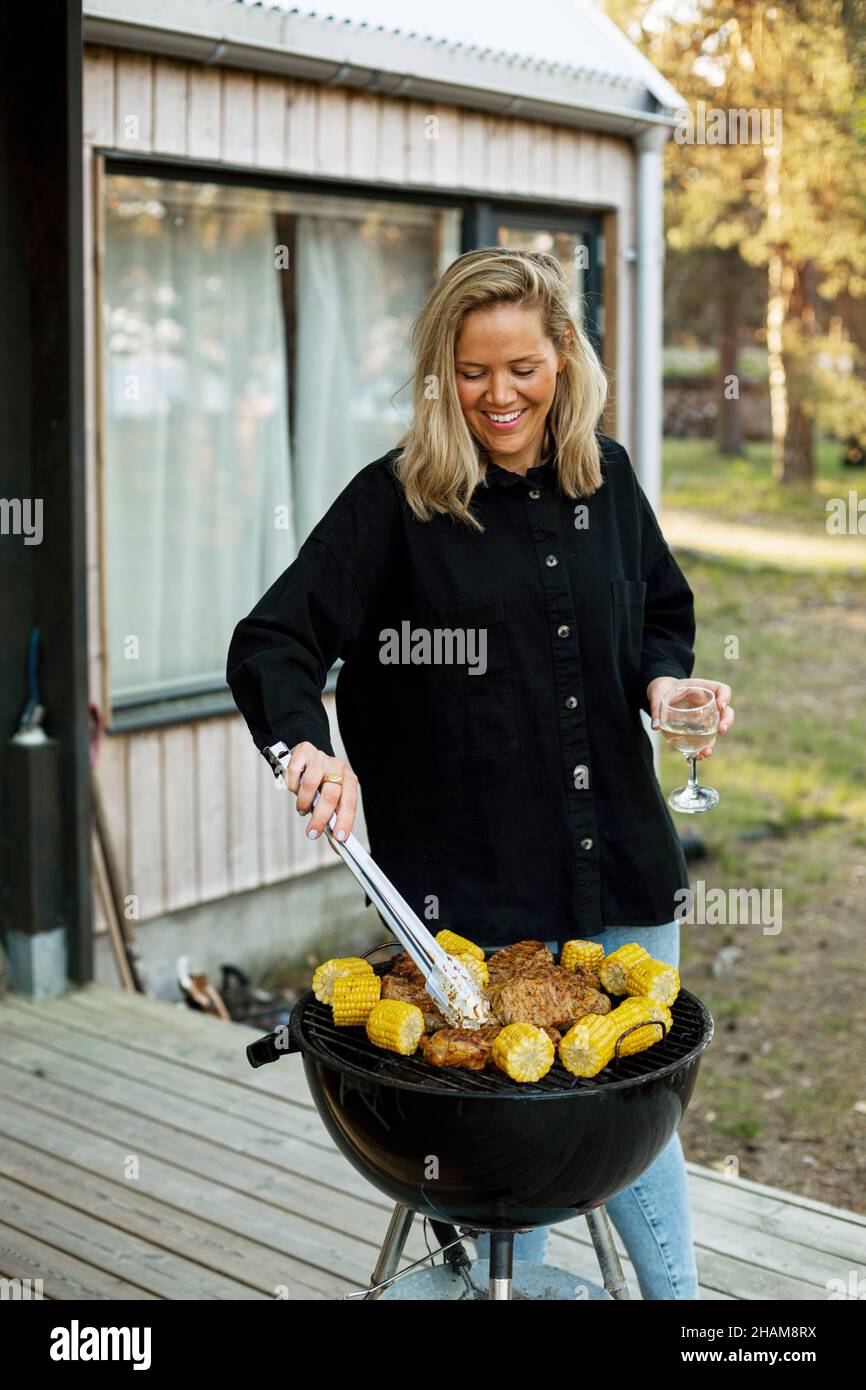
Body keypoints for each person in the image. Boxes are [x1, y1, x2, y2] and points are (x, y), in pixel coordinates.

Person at [226, 248, 735, 1299]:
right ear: (438, 375)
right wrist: (305, 746)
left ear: (563, 359)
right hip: (475, 902)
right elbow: (270, 642)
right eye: (470, 370)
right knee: (509, 1158)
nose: (497, 395)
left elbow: (657, 616)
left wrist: (662, 691)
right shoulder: (392, 505)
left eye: (522, 366)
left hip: (620, 870)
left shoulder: (608, 475)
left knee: (636, 1122)